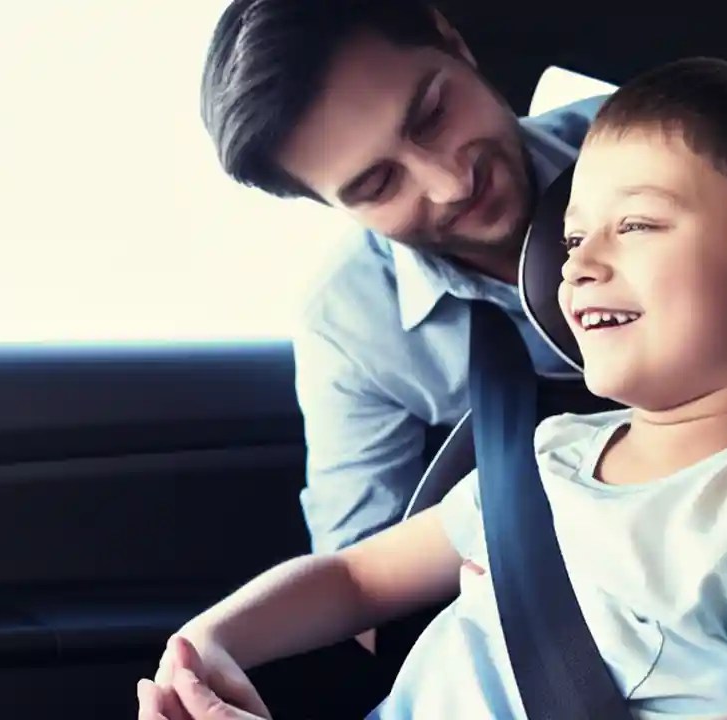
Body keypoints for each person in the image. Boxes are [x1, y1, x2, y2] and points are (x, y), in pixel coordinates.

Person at [140, 57, 727, 719]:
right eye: (569, 237)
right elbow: (357, 576)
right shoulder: (549, 456)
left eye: (636, 225)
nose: (578, 262)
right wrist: (208, 641)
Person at [201, 0, 605, 557]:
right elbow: (360, 561)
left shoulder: (681, 141)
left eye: (434, 114)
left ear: (453, 43)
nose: (450, 184)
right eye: (378, 186)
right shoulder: (351, 325)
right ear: (331, 206)